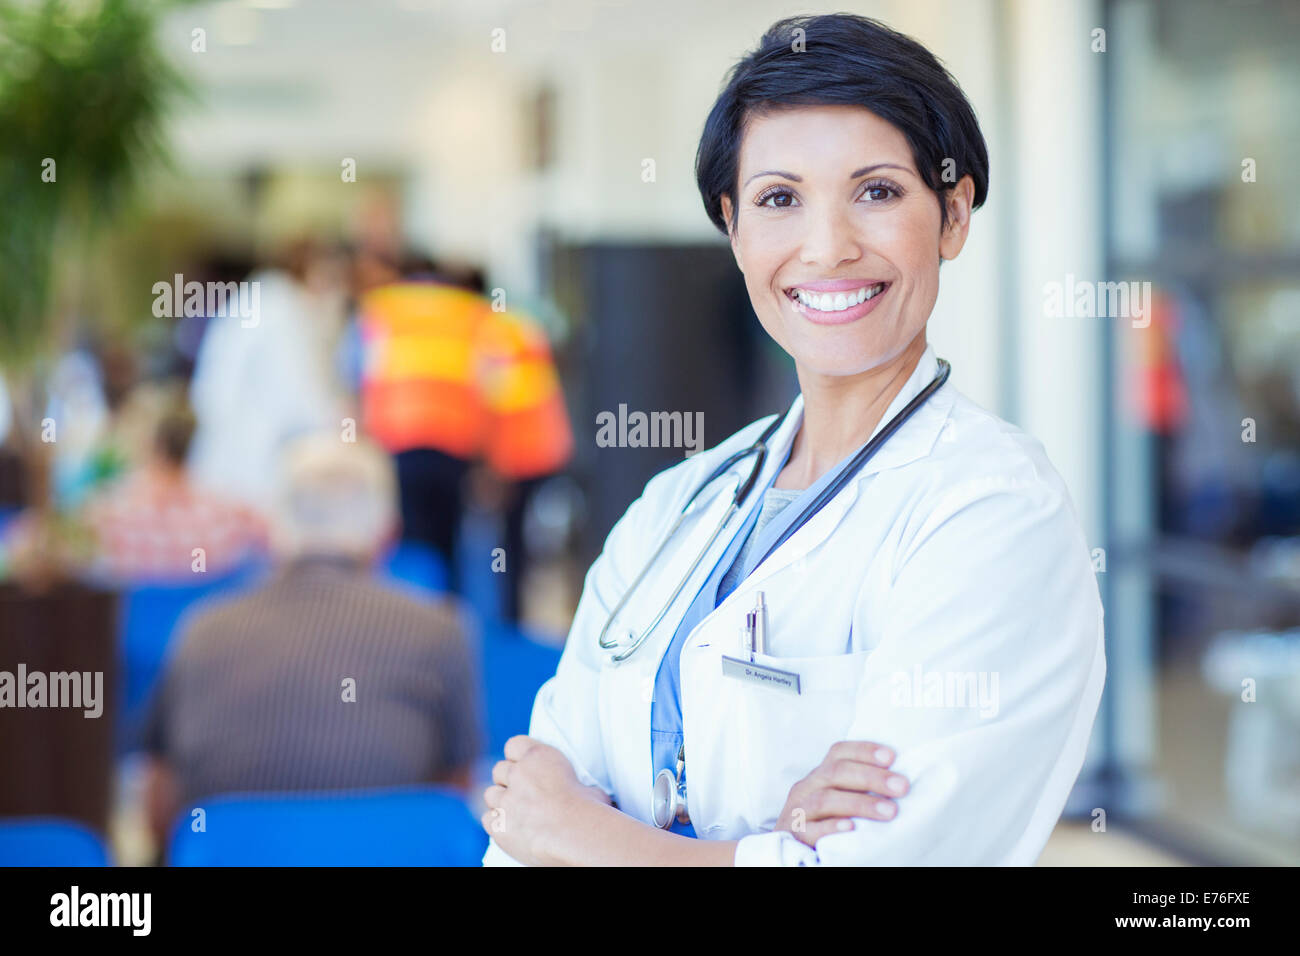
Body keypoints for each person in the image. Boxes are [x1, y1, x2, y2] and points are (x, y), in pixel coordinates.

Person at [481, 13, 1106, 866]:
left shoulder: (993, 514)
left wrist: (592, 833)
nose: (827, 247)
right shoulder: (678, 503)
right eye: (780, 199)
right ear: (734, 227)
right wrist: (765, 840)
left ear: (953, 214)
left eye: (877, 191)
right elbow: (525, 824)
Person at [141, 434, 482, 856]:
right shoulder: (443, 631)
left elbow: (161, 808)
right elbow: (452, 810)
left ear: (271, 530)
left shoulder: (201, 631)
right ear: (388, 534)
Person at [80, 400, 267, 583]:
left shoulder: (109, 517)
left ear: (156, 446)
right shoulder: (235, 515)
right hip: (211, 611)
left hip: (143, 613)